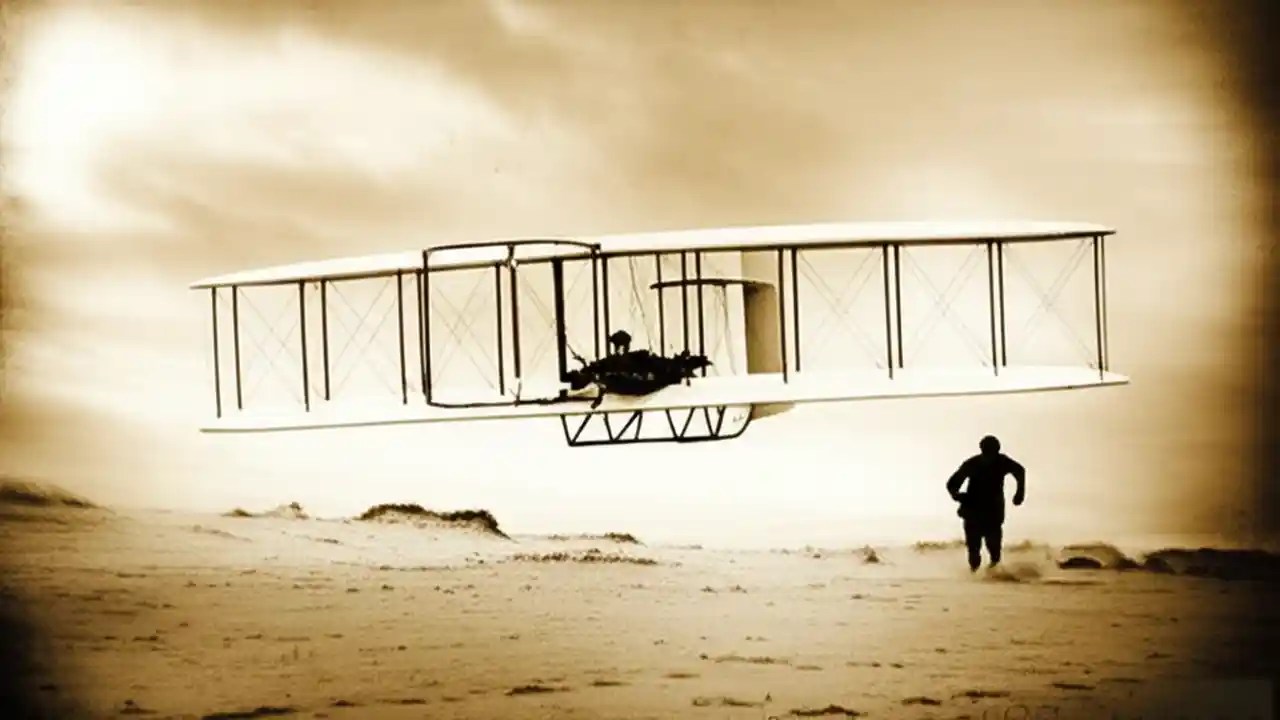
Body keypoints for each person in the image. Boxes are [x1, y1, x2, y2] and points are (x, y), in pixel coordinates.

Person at [945, 435, 1025, 571]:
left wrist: (1020, 492)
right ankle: (975, 577)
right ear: (982, 450)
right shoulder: (972, 463)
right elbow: (952, 483)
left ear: (997, 450)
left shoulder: (1002, 462)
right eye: (987, 451)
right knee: (974, 549)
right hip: (973, 510)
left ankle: (993, 576)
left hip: (993, 511)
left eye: (993, 451)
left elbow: (1020, 471)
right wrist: (957, 496)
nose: (990, 455)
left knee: (994, 550)